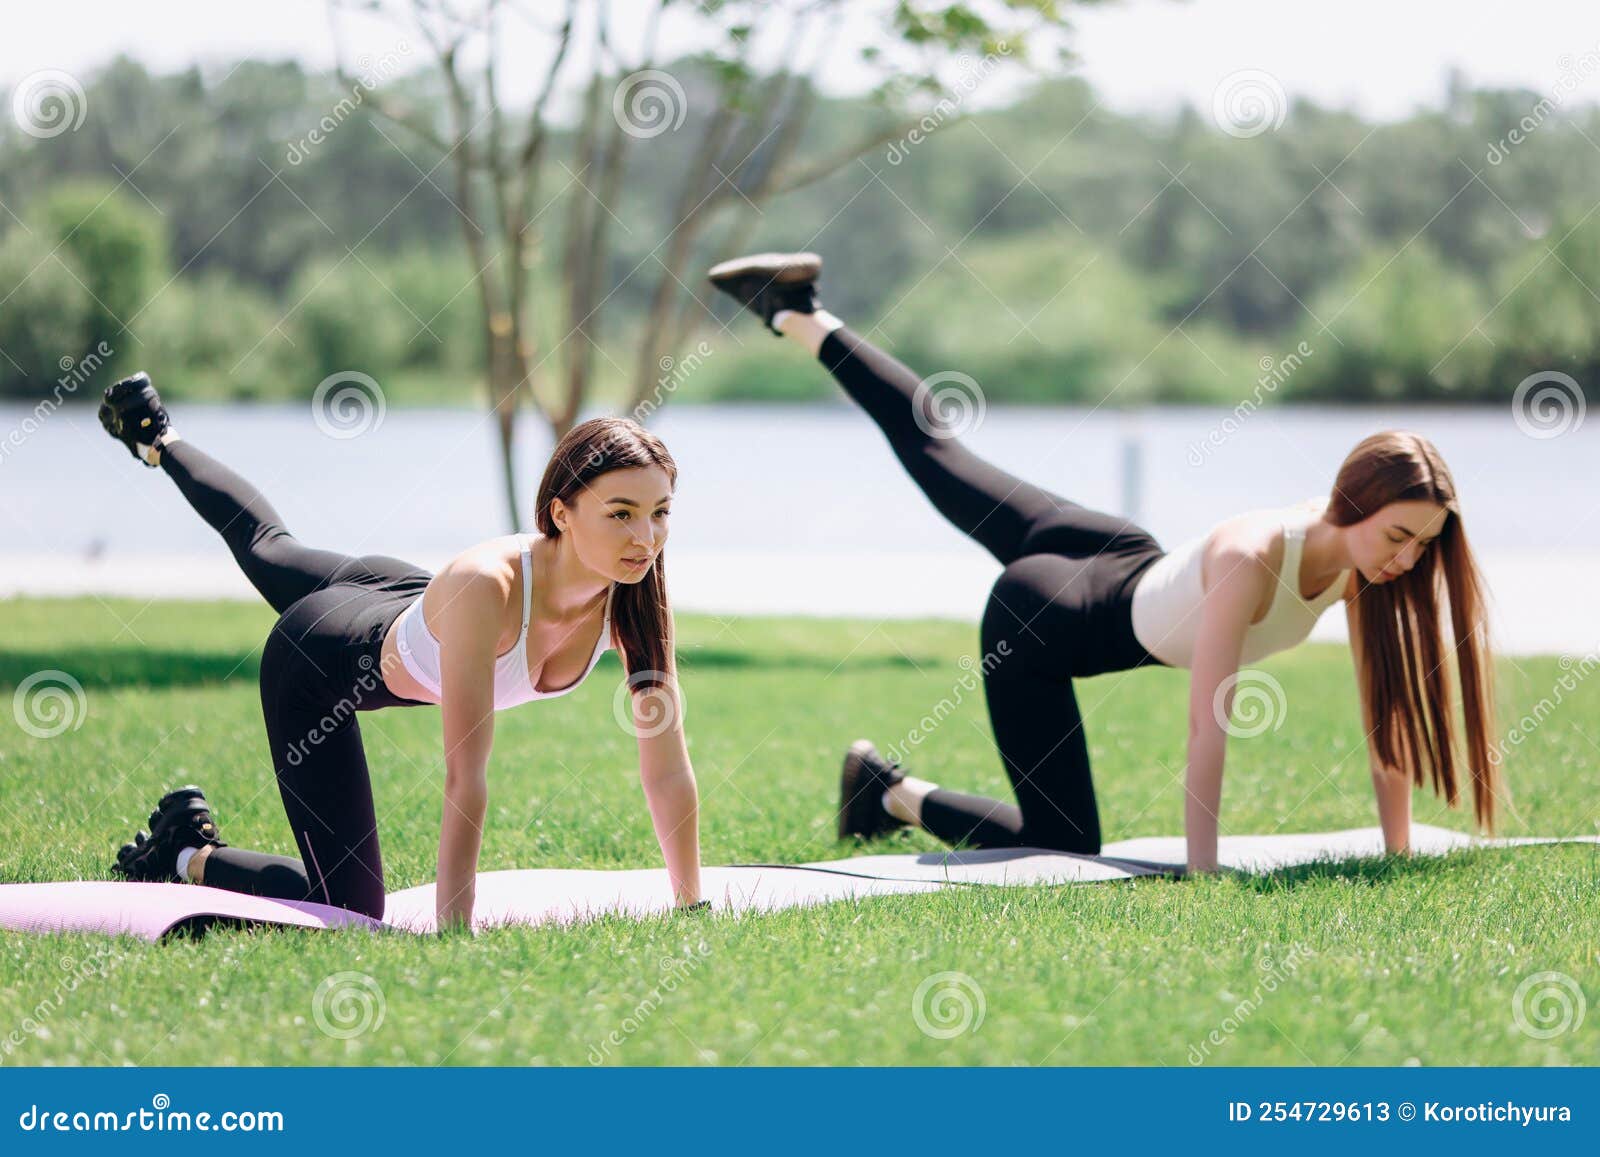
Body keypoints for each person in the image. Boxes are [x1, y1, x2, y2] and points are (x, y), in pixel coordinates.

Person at [707, 251, 1503, 873]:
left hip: (1114, 550)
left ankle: (793, 309)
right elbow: (1206, 722)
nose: (1410, 558)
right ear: (1351, 504)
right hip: (1046, 616)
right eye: (1400, 535)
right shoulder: (1252, 554)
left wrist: (1398, 850)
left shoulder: (1363, 572)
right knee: (1067, 842)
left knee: (942, 451)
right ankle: (887, 790)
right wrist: (1201, 872)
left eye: (1425, 543)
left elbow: (1385, 719)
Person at [100, 372, 704, 928]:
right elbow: (465, 776)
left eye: (660, 513)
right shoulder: (486, 585)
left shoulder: (634, 591)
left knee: (271, 547)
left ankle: (158, 437)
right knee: (350, 906)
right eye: (621, 514)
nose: (645, 538)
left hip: (401, 595)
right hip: (323, 659)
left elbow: (667, 767)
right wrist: (454, 931)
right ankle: (185, 851)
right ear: (561, 513)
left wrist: (689, 904)